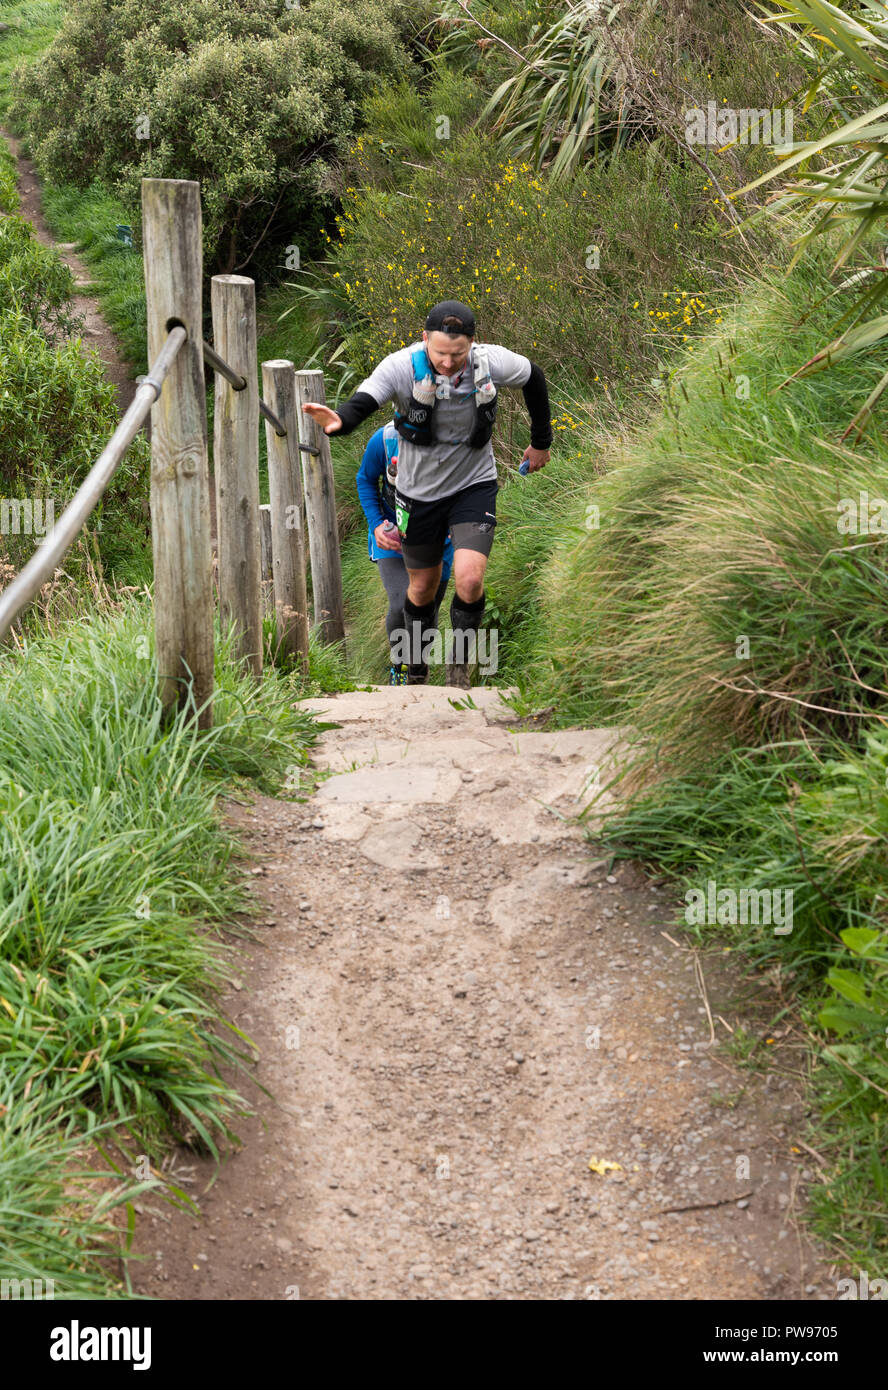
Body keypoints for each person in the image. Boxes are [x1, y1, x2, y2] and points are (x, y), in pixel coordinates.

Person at [302, 299, 552, 687]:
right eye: (440, 353)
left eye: (458, 354)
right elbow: (367, 399)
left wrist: (540, 441)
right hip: (418, 494)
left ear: (473, 342)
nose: (449, 363)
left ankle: (458, 670)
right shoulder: (400, 366)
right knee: (422, 587)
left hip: (474, 485)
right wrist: (341, 421)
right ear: (424, 340)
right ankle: (415, 669)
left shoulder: (490, 362)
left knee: (470, 579)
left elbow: (534, 379)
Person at [357, 419, 453, 685]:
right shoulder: (384, 440)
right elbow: (365, 479)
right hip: (392, 536)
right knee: (401, 605)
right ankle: (399, 666)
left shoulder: (454, 442)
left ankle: (418, 672)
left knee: (428, 608)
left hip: (436, 536)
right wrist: (376, 524)